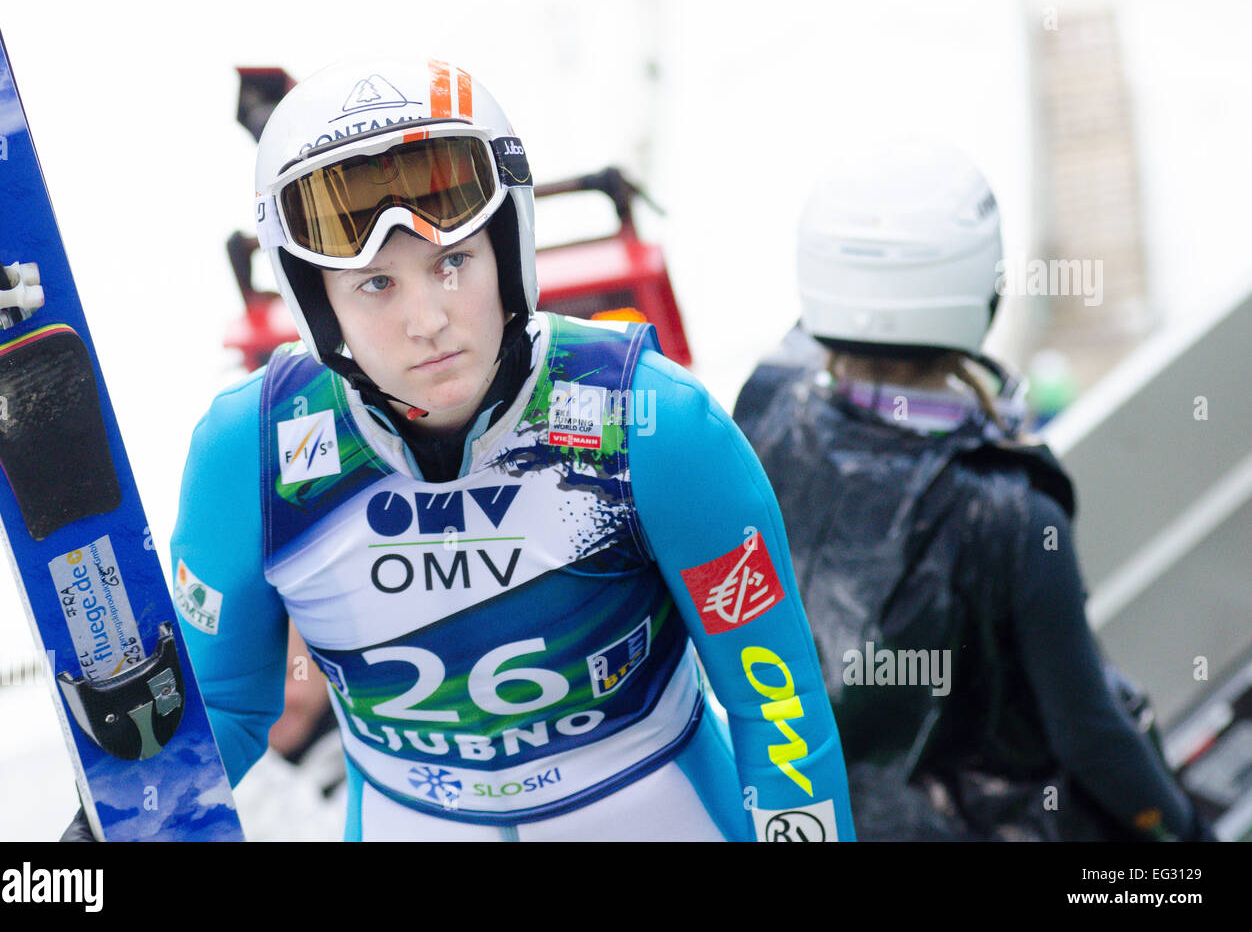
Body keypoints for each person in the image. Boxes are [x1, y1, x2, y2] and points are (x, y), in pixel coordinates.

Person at [164, 56, 853, 841]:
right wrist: (119, 814)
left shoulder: (652, 422)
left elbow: (777, 702)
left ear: (507, 249)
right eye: (376, 284)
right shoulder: (249, 454)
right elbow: (222, 708)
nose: (428, 320)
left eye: (452, 262)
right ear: (316, 300)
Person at [733, 140, 1209, 841]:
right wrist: (1184, 831)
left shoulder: (763, 407)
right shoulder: (1012, 511)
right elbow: (1090, 735)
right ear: (982, 293)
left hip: (816, 809)